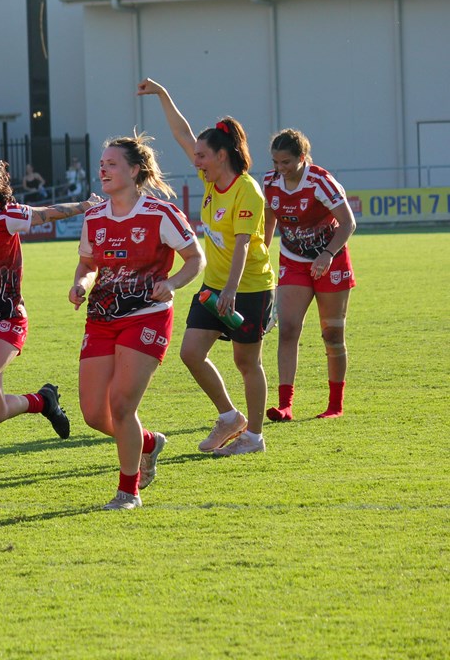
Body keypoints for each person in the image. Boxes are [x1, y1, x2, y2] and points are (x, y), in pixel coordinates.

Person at [139, 78, 276, 456]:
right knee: (190, 353)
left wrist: (230, 291)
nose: (195, 160)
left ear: (221, 155)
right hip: (215, 285)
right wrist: (164, 94)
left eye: (202, 155)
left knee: (246, 362)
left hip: (248, 288)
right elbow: (183, 134)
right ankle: (230, 418)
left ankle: (254, 437)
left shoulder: (247, 190)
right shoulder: (210, 178)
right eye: (196, 155)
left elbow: (244, 246)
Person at [70, 135, 204, 510]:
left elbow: (195, 258)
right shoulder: (94, 217)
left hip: (146, 316)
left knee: (122, 404)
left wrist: (173, 283)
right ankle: (147, 441)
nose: (103, 170)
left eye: (112, 164)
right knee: (95, 414)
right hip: (100, 318)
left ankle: (128, 491)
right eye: (102, 164)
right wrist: (81, 283)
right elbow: (88, 263)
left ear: (134, 170)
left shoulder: (160, 214)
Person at [0, 153, 94, 445]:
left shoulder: (5, 217)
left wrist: (86, 206)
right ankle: (44, 401)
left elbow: (49, 212)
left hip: (6, 318)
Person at [263, 129, 357, 420]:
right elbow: (268, 222)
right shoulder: (270, 182)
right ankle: (285, 405)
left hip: (331, 261)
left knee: (332, 334)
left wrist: (327, 254)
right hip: (292, 260)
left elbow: (348, 223)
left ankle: (335, 405)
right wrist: (262, 255)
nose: (280, 169)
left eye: (287, 162)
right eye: (276, 162)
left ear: (302, 158)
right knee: (288, 329)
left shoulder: (320, 182)